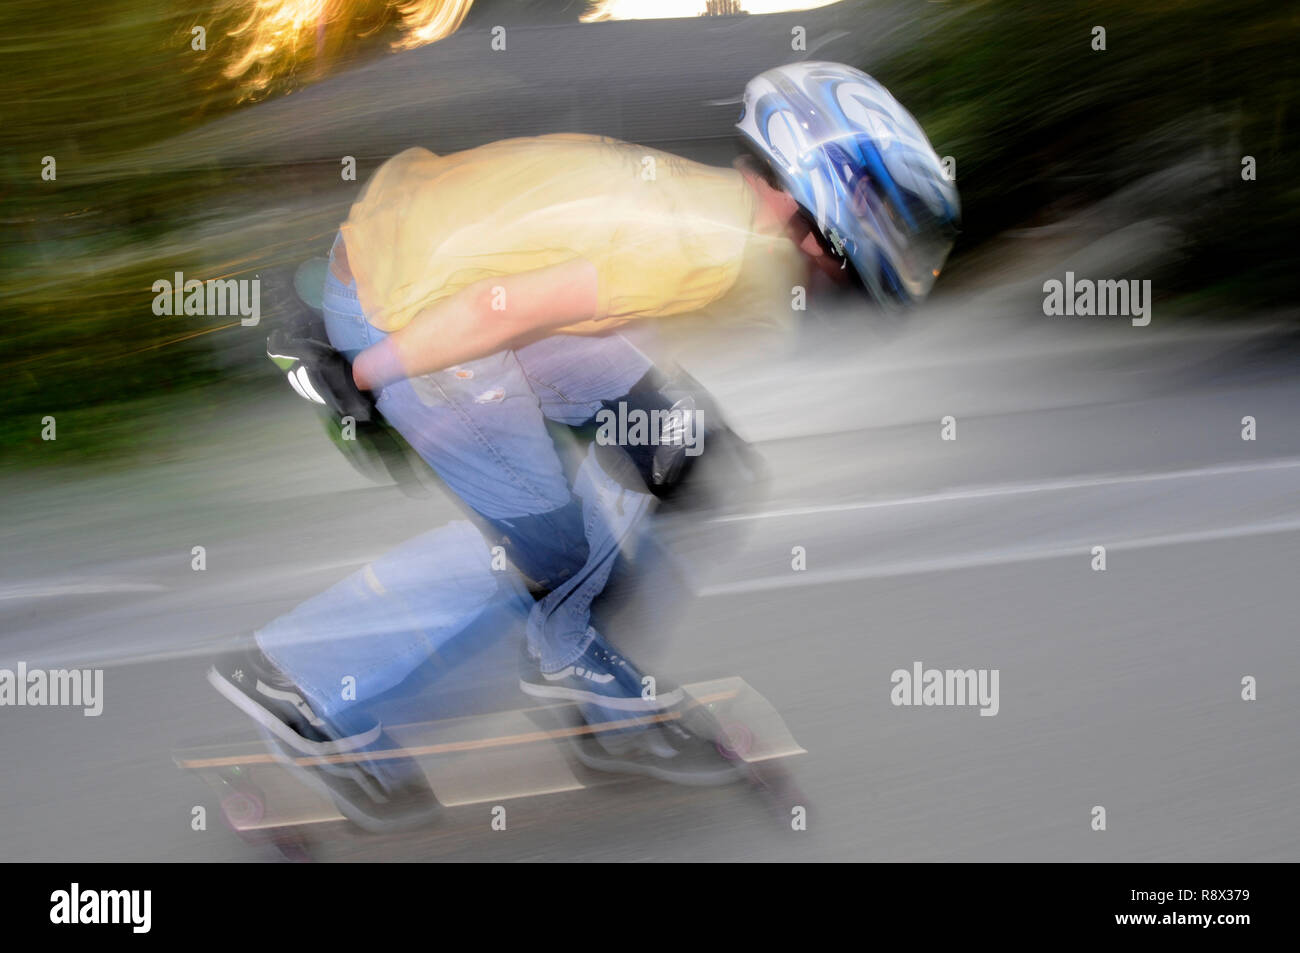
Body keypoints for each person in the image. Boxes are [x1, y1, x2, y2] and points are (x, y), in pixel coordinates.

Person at [207, 61, 960, 831]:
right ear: (841, 199)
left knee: (681, 455)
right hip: (417, 315)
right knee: (545, 549)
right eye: (892, 224)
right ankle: (304, 680)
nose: (882, 253)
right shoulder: (705, 245)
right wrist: (357, 374)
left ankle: (584, 681)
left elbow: (568, 274)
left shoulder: (714, 212)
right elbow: (495, 308)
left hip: (450, 274)